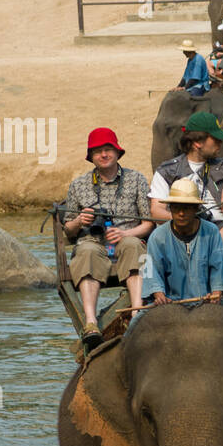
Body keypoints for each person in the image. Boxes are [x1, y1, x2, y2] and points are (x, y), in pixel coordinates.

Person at [149, 111, 223, 329]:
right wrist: (185, 219)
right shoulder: (167, 170)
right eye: (215, 138)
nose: (220, 143)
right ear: (197, 142)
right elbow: (156, 211)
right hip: (183, 231)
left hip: (218, 230)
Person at [62, 128, 154, 350]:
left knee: (133, 246)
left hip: (127, 238)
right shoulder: (79, 184)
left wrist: (125, 234)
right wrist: (80, 221)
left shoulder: (136, 179)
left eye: (107, 150)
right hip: (92, 243)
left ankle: (137, 311)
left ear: (117, 152)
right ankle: (91, 322)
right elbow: (68, 229)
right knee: (86, 251)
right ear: (91, 157)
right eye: (97, 151)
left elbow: (149, 222)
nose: (103, 155)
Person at [140, 178, 223, 327]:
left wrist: (216, 292)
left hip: (207, 302)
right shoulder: (157, 236)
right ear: (170, 208)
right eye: (176, 207)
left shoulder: (211, 232)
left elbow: (219, 267)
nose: (181, 213)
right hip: (170, 303)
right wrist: (159, 295)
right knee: (135, 323)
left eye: (187, 208)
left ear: (196, 209)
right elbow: (152, 273)